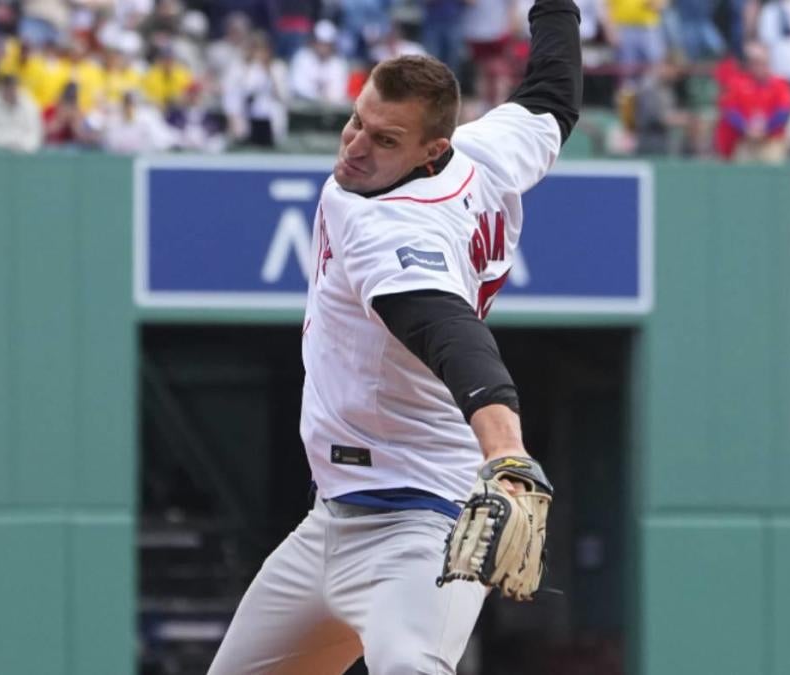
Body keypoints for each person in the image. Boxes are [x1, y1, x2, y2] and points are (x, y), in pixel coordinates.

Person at [206, 0, 582, 670]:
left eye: (384, 141)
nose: (355, 145)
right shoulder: (484, 155)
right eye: (357, 122)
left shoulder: (387, 225)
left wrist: (507, 453)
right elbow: (552, 97)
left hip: (421, 522)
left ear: (430, 150)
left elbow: (449, 332)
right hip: (329, 520)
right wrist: (555, 8)